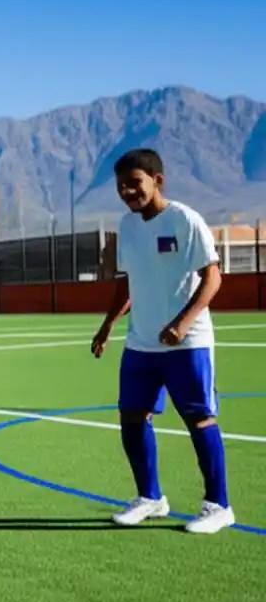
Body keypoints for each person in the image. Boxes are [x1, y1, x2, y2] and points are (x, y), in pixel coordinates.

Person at [91, 148, 233, 534]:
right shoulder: (128, 225)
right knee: (132, 417)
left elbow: (213, 277)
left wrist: (183, 323)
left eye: (134, 183)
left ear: (158, 181)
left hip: (187, 344)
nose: (127, 192)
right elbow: (127, 283)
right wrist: (107, 326)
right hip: (140, 343)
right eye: (121, 186)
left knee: (199, 418)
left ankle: (218, 505)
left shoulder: (185, 220)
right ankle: (150, 498)